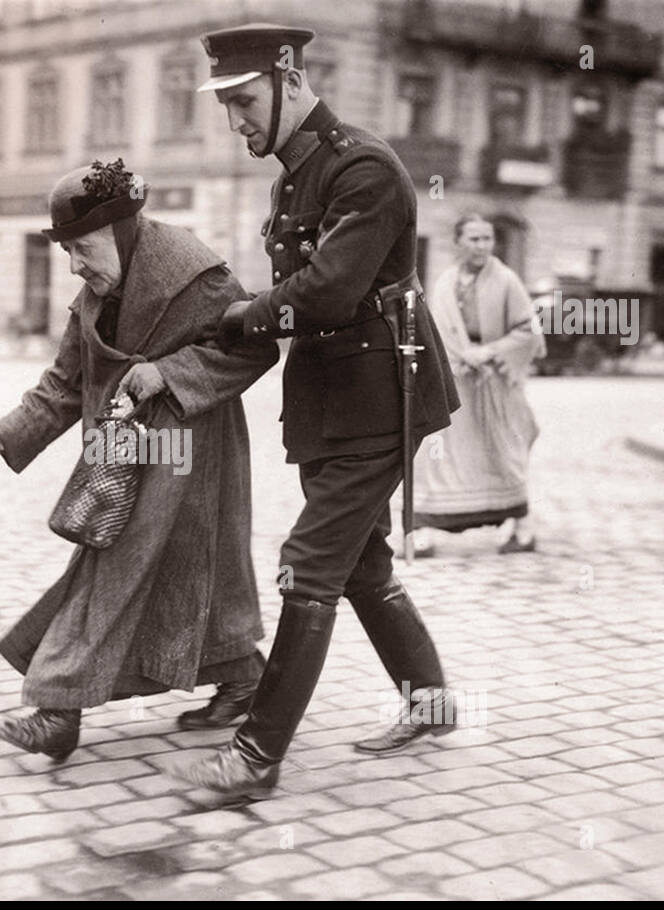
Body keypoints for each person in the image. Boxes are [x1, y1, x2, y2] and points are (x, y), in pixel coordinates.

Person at [166, 23, 461, 798]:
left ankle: (255, 758)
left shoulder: (364, 169)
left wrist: (237, 317)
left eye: (244, 100)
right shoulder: (295, 175)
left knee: (308, 566)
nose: (235, 121)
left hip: (382, 399)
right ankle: (430, 703)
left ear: (291, 78)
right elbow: (302, 301)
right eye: (225, 105)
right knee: (360, 562)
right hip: (332, 402)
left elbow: (326, 291)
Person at [0, 159, 279, 762]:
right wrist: (1, 436)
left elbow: (255, 348)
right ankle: (243, 678)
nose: (75, 266)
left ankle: (58, 709)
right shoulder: (94, 298)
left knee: (112, 566)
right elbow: (61, 385)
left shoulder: (195, 273)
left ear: (119, 232)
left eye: (81, 249)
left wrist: (169, 371)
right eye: (67, 252)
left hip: (190, 446)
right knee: (192, 569)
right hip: (126, 447)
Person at [410, 214, 544, 556]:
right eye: (474, 239)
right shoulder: (445, 283)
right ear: (458, 243)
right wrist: (456, 359)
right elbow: (435, 328)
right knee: (436, 454)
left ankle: (523, 529)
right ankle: (423, 532)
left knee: (504, 454)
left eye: (487, 239)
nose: (482, 246)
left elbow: (528, 331)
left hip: (494, 382)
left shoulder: (507, 281)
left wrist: (487, 353)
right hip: (455, 381)